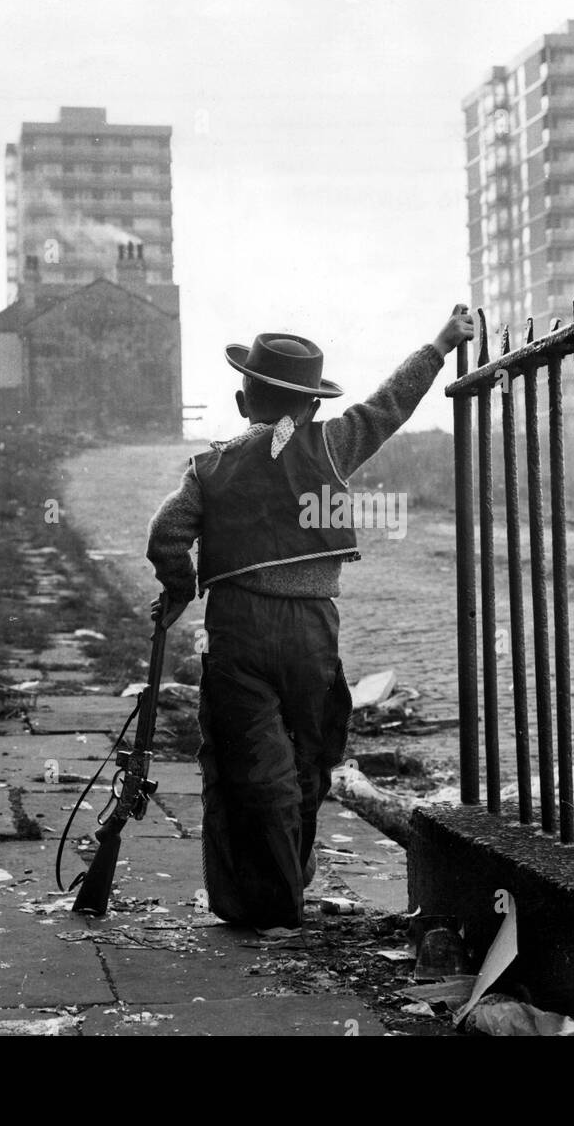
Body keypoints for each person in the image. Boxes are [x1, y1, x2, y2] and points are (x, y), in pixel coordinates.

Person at [146, 306, 475, 936]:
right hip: (312, 631)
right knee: (308, 762)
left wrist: (179, 589)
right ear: (314, 406)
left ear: (244, 402)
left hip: (236, 627)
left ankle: (261, 905)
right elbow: (391, 402)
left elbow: (167, 531)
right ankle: (285, 892)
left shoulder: (208, 469)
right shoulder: (331, 445)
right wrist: (438, 343)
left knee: (249, 764)